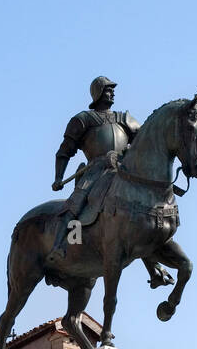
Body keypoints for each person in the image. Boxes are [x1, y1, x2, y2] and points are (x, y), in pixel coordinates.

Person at [47, 75, 172, 287]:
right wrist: (59, 177)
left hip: (123, 171)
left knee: (139, 213)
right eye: (107, 89)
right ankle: (59, 246)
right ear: (97, 94)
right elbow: (64, 152)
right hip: (94, 172)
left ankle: (155, 269)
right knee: (75, 205)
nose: (112, 92)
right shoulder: (84, 119)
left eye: (113, 89)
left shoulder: (125, 119)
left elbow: (144, 142)